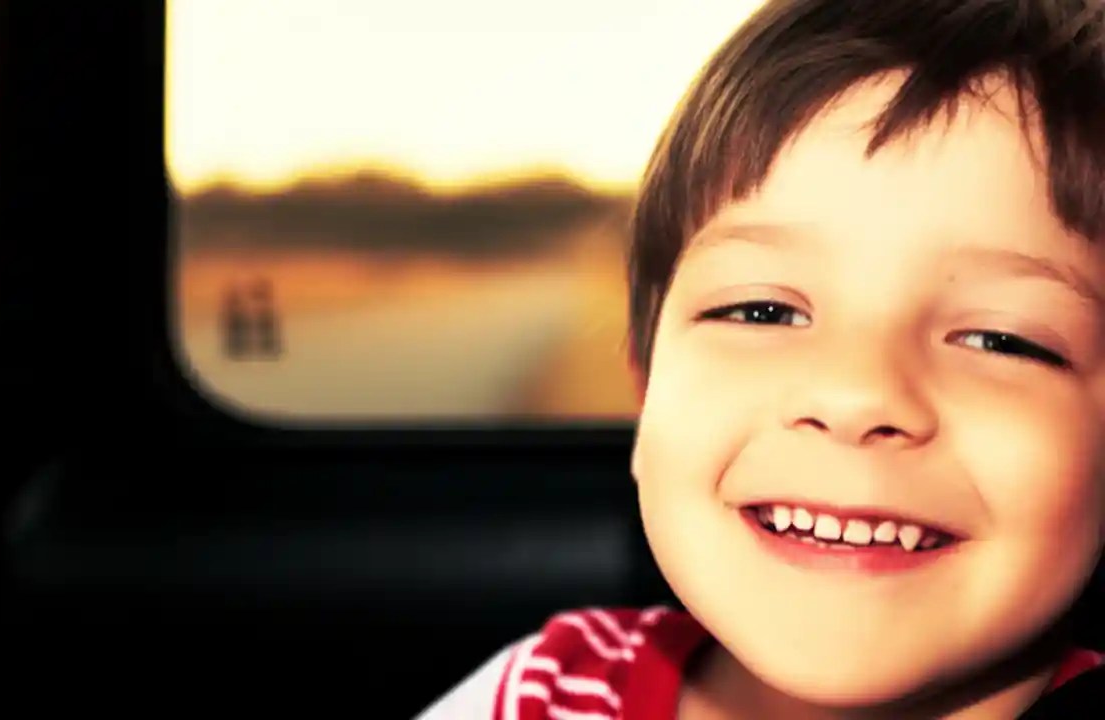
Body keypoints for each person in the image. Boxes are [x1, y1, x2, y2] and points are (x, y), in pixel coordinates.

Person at [417, 0, 1105, 717]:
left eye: (1001, 339)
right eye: (762, 311)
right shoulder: (546, 693)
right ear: (647, 386)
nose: (856, 395)